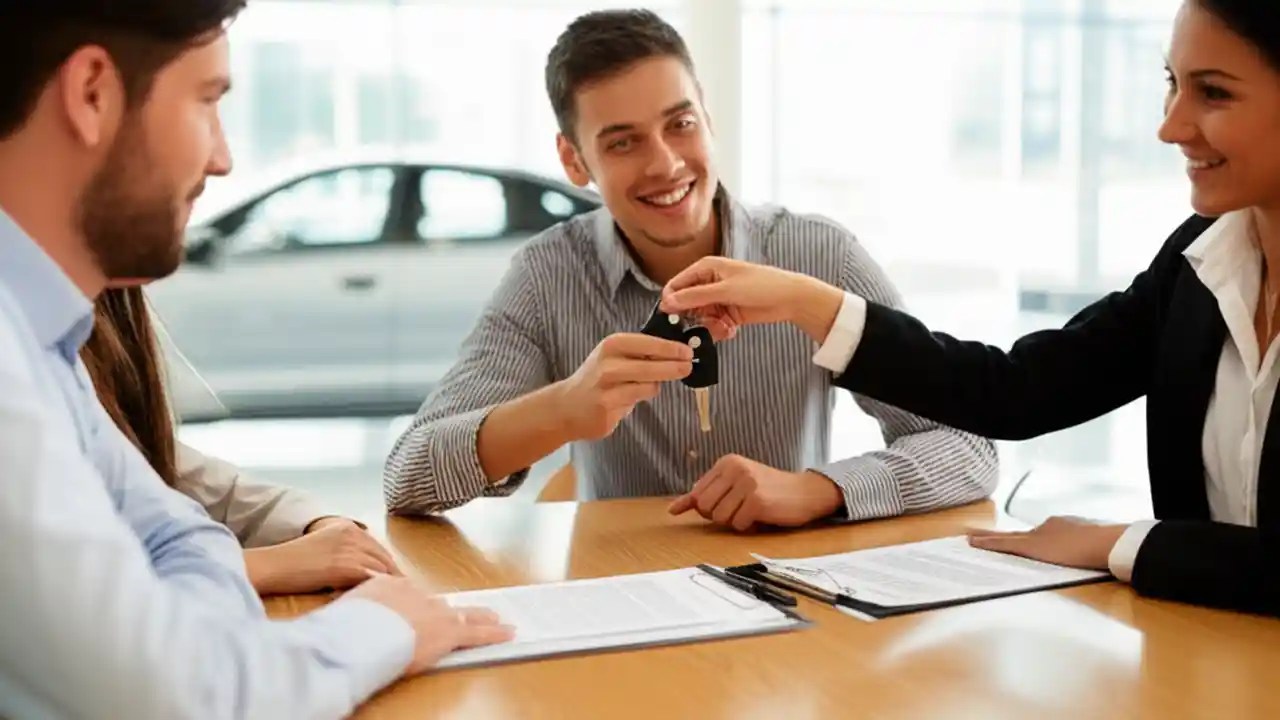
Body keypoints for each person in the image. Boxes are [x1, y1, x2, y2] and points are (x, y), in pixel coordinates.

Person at [656, 0, 1280, 615]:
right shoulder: (1198, 263)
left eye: (1214, 93)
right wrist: (807, 303)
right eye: (1172, 84)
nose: (1171, 126)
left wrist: (1122, 543)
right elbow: (1016, 390)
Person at [0, 4, 509, 719]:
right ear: (92, 94)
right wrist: (384, 627)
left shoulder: (44, 343)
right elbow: (181, 697)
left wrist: (175, 629)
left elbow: (183, 533)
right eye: (207, 101)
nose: (223, 157)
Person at [383, 9, 997, 531]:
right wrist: (565, 409)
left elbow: (967, 445)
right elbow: (409, 474)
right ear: (574, 160)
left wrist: (817, 490)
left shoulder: (819, 257)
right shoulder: (548, 276)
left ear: (707, 116)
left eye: (680, 124)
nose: (666, 164)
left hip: (790, 609)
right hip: (621, 603)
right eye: (622, 142)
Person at [83, 285, 403, 595]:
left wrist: (320, 527)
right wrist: (278, 565)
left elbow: (211, 490)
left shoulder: (96, 320)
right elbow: (86, 584)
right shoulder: (43, 364)